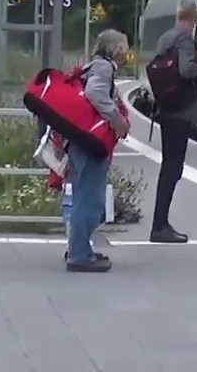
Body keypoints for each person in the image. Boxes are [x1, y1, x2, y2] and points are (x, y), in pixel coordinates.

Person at [66, 29, 132, 273]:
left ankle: (80, 248)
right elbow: (95, 93)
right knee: (90, 198)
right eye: (125, 47)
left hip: (80, 141)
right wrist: (117, 119)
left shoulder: (94, 66)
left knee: (85, 195)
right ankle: (79, 254)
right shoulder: (104, 68)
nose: (128, 53)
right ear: (115, 49)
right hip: (89, 143)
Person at [151, 0, 197, 244]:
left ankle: (160, 223)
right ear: (193, 19)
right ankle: (160, 225)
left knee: (169, 165)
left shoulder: (166, 38)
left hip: (166, 107)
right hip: (180, 110)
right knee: (173, 167)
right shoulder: (184, 39)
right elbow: (186, 70)